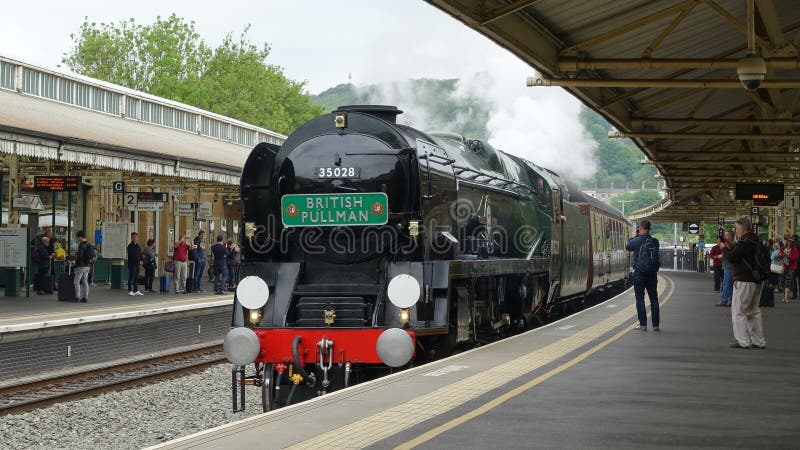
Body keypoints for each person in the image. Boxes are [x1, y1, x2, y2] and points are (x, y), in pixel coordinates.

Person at [727, 216, 766, 349]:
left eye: (737, 228)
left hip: (743, 279)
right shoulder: (757, 240)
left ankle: (742, 341)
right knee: (754, 311)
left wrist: (725, 249)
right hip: (757, 279)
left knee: (739, 310)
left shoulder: (744, 241)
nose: (736, 231)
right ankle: (758, 341)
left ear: (742, 228)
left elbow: (732, 257)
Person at [625, 220, 660, 331]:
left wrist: (634, 236)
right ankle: (656, 325)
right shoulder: (655, 242)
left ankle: (643, 325)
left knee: (640, 299)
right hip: (652, 274)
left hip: (639, 274)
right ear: (649, 229)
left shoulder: (636, 241)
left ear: (639, 229)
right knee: (654, 299)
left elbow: (628, 246)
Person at [717, 230, 735, 307]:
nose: (725, 236)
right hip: (727, 266)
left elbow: (728, 254)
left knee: (726, 284)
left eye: (726, 235)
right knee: (730, 284)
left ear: (730, 236)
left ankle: (724, 300)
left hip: (729, 267)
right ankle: (731, 300)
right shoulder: (729, 244)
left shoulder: (733, 243)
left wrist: (721, 255)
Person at [777, 236, 798, 303]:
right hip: (783, 267)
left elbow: (795, 258)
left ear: (793, 242)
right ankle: (784, 296)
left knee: (787, 282)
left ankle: (786, 297)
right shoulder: (783, 248)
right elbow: (778, 255)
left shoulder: (794, 249)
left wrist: (788, 256)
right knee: (782, 282)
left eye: (791, 241)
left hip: (790, 267)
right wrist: (780, 255)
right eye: (788, 241)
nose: (789, 242)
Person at [74, 231, 91, 302]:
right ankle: (85, 297)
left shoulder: (81, 245)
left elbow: (80, 256)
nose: (77, 239)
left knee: (76, 281)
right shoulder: (88, 244)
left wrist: (76, 263)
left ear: (80, 237)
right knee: (85, 282)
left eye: (78, 237)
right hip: (87, 266)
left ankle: (77, 297)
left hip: (81, 266)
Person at [126, 232, 144, 296]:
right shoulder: (130, 246)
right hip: (132, 264)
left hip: (137, 264)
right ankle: (130, 291)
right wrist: (138, 260)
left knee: (136, 278)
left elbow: (140, 254)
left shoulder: (137, 246)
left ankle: (136, 290)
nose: (135, 238)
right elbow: (131, 256)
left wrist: (142, 260)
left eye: (136, 237)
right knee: (131, 277)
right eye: (134, 237)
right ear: (131, 238)